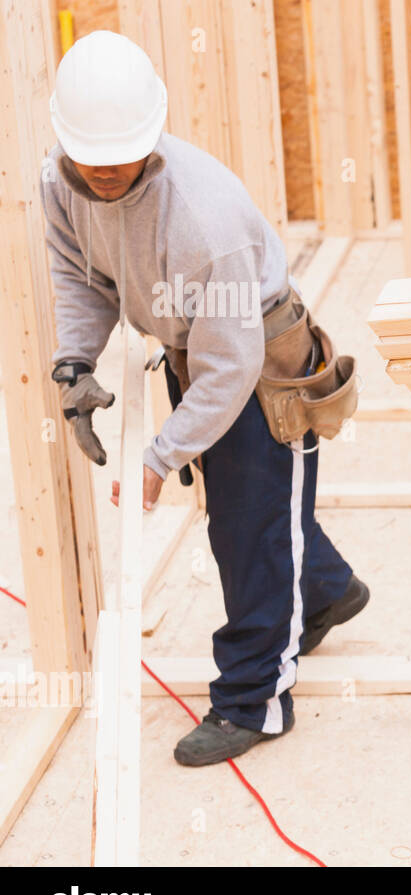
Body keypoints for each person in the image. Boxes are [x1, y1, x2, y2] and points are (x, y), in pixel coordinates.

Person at [42, 31, 368, 766]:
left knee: (246, 533)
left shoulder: (205, 219)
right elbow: (83, 277)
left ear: (151, 133)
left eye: (118, 156)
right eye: (88, 159)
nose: (102, 172)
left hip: (257, 369)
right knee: (247, 520)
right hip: (196, 351)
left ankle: (254, 701)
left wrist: (161, 455)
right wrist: (73, 362)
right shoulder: (60, 181)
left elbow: (230, 367)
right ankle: (325, 591)